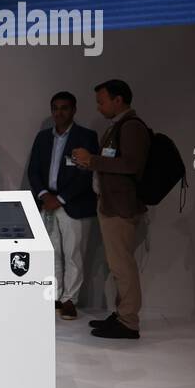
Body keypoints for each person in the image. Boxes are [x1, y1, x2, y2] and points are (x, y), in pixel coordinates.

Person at [71, 79, 151, 340]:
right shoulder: (117, 127)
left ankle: (128, 321)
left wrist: (92, 160)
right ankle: (122, 315)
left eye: (101, 101)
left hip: (121, 207)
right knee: (118, 266)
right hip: (111, 204)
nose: (99, 106)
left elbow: (130, 164)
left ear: (119, 100)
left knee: (122, 266)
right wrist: (91, 164)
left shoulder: (131, 127)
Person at [26, 91, 98, 319]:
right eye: (55, 108)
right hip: (47, 203)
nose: (59, 112)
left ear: (74, 110)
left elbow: (86, 174)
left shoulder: (86, 136)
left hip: (73, 205)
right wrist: (45, 195)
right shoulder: (43, 137)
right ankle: (54, 296)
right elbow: (33, 170)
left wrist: (62, 198)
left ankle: (70, 300)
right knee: (51, 253)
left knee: (73, 254)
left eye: (64, 108)